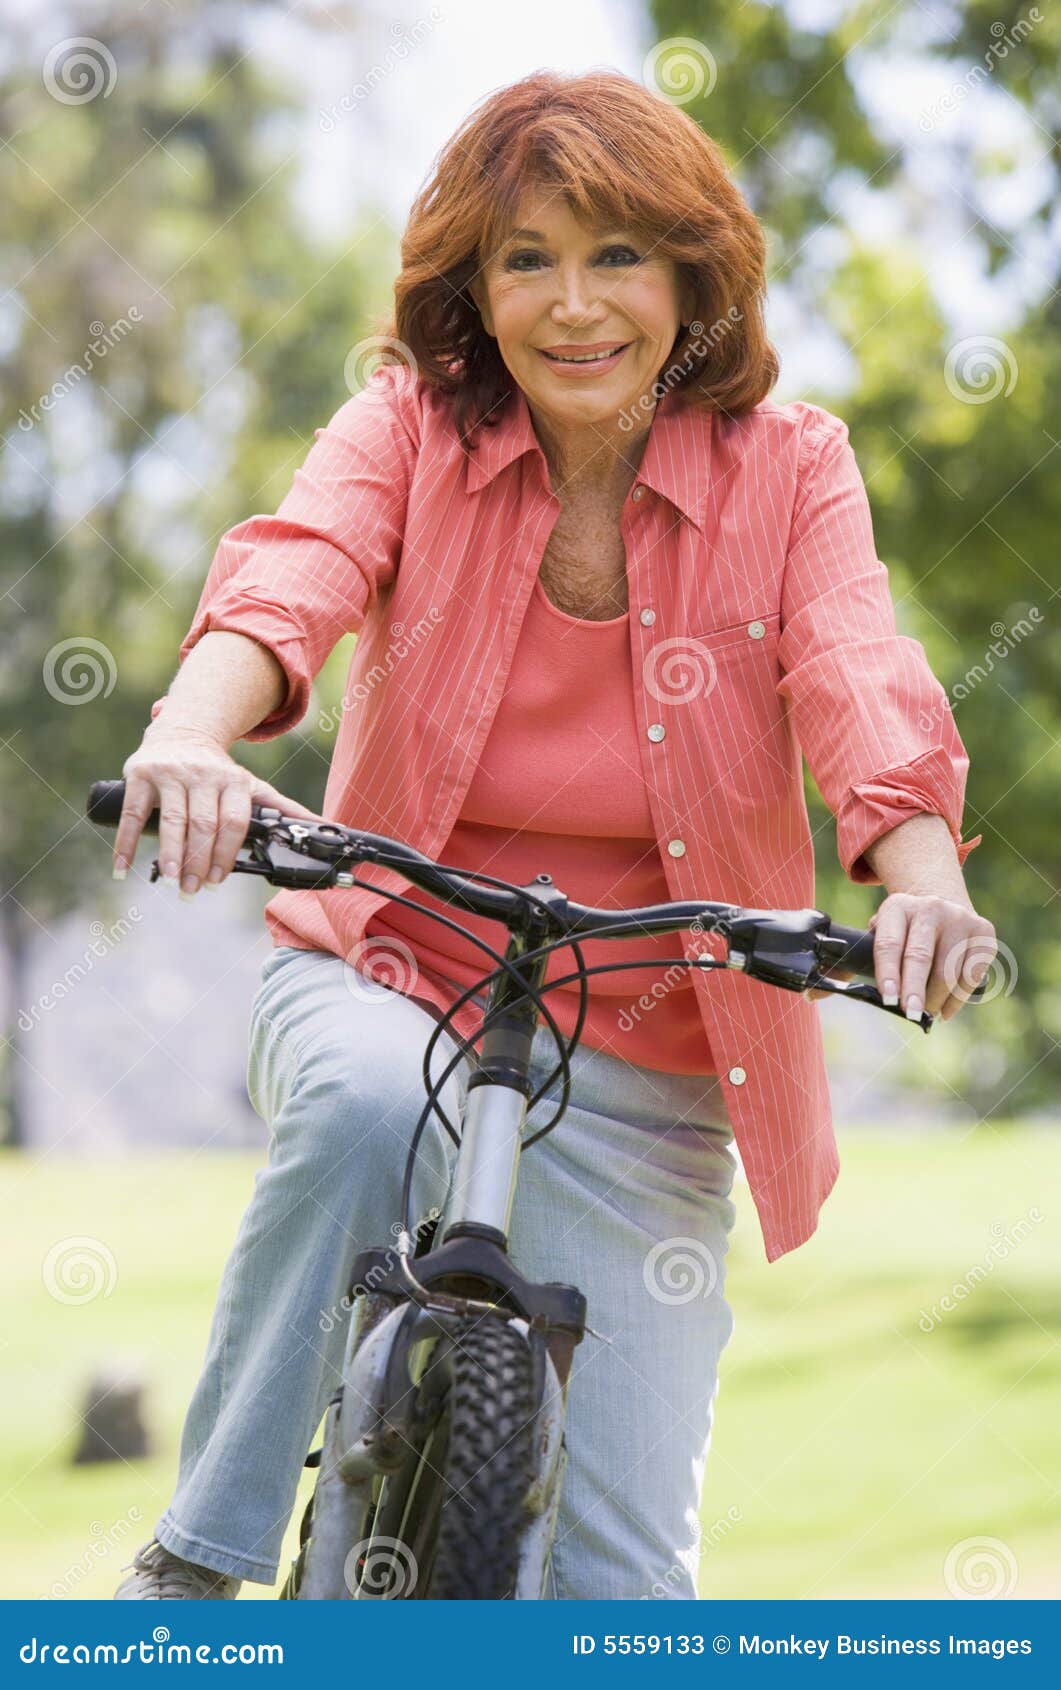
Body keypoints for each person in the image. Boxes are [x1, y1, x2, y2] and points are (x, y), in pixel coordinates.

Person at [114, 70, 994, 1600]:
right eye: (527, 257)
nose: (573, 306)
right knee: (363, 1109)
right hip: (385, 962)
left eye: (618, 257)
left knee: (622, 1584)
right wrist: (189, 736)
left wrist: (922, 886)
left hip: (652, 1037)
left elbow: (859, 673)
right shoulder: (410, 427)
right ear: (475, 285)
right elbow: (296, 571)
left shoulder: (789, 469)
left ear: (689, 279)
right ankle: (201, 1558)